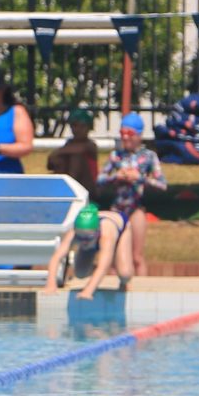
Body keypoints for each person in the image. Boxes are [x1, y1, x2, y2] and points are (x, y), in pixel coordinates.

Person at [77, 111, 164, 295]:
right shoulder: (116, 156)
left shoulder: (148, 157)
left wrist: (139, 178)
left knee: (137, 256)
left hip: (136, 208)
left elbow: (162, 184)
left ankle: (141, 290)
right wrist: (116, 176)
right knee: (115, 258)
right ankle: (117, 292)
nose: (125, 138)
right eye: (123, 134)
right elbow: (99, 179)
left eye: (130, 134)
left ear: (139, 135)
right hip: (118, 210)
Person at [46, 107, 100, 186]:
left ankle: (70, 186)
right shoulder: (68, 145)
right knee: (61, 159)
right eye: (75, 126)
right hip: (67, 183)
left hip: (88, 187)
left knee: (76, 157)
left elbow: (79, 149)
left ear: (89, 127)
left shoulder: (90, 145)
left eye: (82, 126)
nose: (78, 129)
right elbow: (51, 163)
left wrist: (57, 152)